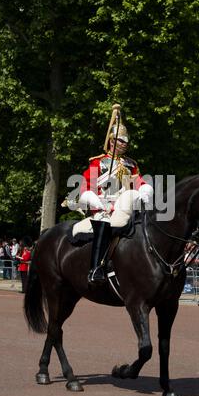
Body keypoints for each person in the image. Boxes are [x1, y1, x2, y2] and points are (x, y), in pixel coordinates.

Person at [66, 104, 153, 285]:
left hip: (127, 208)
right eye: (121, 141)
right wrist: (97, 201)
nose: (125, 144)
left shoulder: (131, 164)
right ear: (112, 141)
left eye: (126, 141)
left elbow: (138, 182)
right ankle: (96, 269)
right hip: (104, 208)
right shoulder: (98, 163)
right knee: (104, 224)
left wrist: (144, 189)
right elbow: (85, 190)